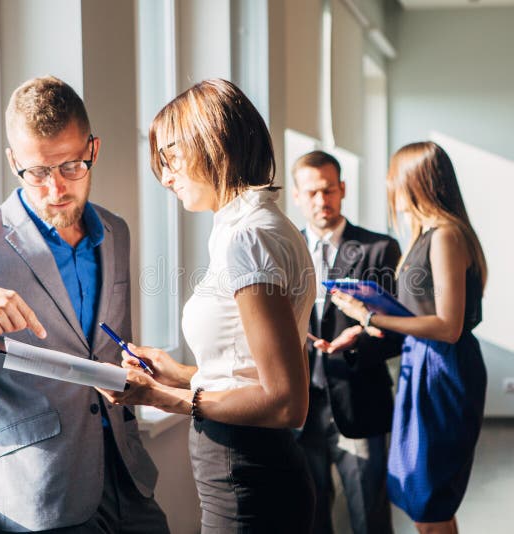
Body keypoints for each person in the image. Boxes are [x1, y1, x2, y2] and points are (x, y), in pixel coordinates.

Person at [0, 76, 170, 533]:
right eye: (37, 172)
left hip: (130, 481)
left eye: (71, 166)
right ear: (13, 161)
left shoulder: (115, 231)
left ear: (93, 149)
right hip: (45, 499)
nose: (56, 189)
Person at [96, 78, 316, 533]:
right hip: (254, 466)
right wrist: (177, 372)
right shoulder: (261, 226)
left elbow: (284, 402)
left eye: (170, 158)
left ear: (212, 143)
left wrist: (161, 397)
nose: (166, 178)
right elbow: (249, 373)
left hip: (246, 471)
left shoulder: (248, 239)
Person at [331, 142, 488, 534]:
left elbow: (448, 326)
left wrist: (370, 314)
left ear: (418, 182)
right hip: (423, 363)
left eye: (394, 178)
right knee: (427, 502)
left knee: (429, 502)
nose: (389, 186)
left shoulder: (446, 236)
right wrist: (365, 328)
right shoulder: (427, 235)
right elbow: (418, 315)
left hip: (442, 369)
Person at [291, 150, 401, 534]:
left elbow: (399, 332)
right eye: (311, 193)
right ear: (296, 196)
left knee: (370, 517)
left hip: (359, 401)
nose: (321, 200)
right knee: (310, 517)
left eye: (329, 190)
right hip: (300, 408)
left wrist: (356, 342)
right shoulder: (285, 250)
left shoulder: (379, 249)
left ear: (343, 189)